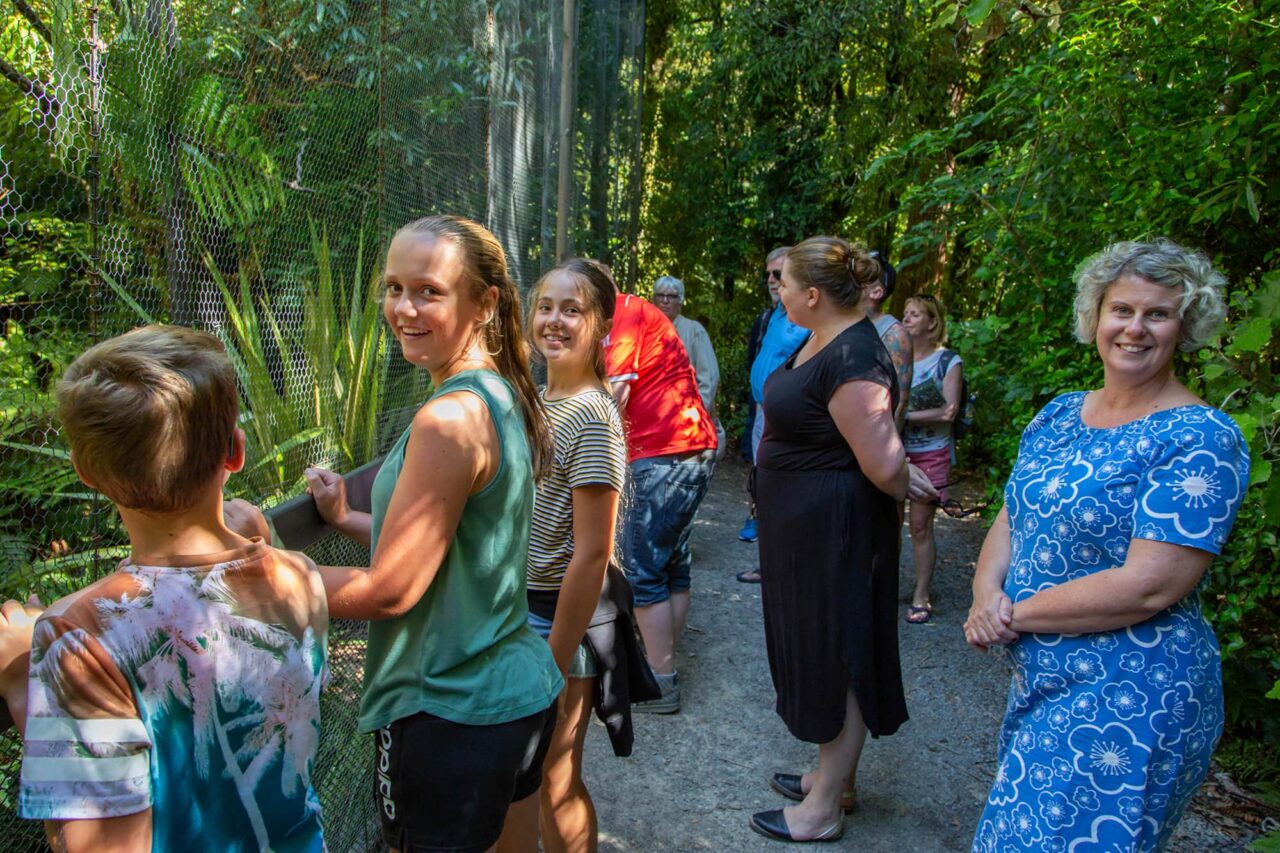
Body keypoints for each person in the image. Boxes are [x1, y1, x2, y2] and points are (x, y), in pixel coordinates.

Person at [965, 239, 1250, 852]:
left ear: (1185, 326)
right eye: (1122, 309)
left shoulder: (1200, 437)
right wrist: (985, 592)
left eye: (1158, 313)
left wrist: (1011, 616)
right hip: (1046, 677)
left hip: (1132, 692)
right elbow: (1015, 515)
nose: (1135, 328)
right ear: (1095, 315)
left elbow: (1151, 585)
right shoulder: (1060, 414)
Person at [2, 325, 329, 851]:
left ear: (86, 470)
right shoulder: (300, 576)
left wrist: (24, 685)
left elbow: (97, 845)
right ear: (235, 452)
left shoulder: (78, 637)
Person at [300, 216, 563, 852]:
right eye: (394, 287)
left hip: (449, 710)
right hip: (515, 691)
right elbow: (449, 547)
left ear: (484, 304)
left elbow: (392, 589)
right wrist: (345, 518)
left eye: (429, 291)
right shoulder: (499, 393)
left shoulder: (449, 418)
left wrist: (250, 575)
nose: (403, 308)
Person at [750, 237, 913, 843]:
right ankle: (832, 778)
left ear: (814, 294)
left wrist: (910, 480)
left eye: (786, 284)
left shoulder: (854, 356)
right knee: (818, 648)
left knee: (840, 655)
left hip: (838, 533)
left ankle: (822, 810)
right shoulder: (822, 338)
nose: (780, 293)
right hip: (806, 531)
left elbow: (885, 465)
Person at [524, 258, 628, 851]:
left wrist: (554, 660)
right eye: (545, 307)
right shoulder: (541, 398)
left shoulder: (591, 413)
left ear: (600, 326)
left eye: (572, 309)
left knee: (555, 776)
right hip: (520, 609)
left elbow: (593, 553)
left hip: (560, 616)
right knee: (531, 774)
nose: (554, 321)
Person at [606, 279, 717, 715]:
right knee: (672, 565)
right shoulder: (633, 311)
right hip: (689, 452)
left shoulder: (621, 315)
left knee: (642, 569)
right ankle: (664, 659)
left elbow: (613, 400)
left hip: (664, 455)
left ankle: (659, 681)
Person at [737, 245, 806, 570]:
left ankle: (785, 566)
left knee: (785, 488)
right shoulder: (774, 313)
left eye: (778, 274)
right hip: (764, 412)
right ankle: (770, 563)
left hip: (790, 417)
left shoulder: (808, 314)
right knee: (763, 481)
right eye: (768, 274)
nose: (771, 280)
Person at [901, 294, 964, 624]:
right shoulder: (897, 356)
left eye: (915, 314)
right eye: (906, 313)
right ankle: (886, 586)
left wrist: (905, 416)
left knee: (920, 525)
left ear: (932, 322)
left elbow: (949, 411)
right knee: (888, 522)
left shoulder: (948, 361)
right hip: (896, 449)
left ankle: (922, 594)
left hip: (932, 453)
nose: (907, 318)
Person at [653, 275, 723, 457]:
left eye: (671, 296)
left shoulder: (694, 330)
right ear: (654, 299)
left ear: (681, 300)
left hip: (688, 421)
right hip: (655, 422)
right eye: (660, 295)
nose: (665, 301)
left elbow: (709, 377)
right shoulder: (647, 330)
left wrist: (697, 414)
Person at [863, 252, 913, 430]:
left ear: (876, 292)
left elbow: (900, 403)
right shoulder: (840, 322)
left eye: (861, 276)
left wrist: (890, 443)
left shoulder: (894, 334)